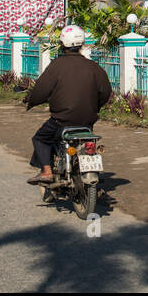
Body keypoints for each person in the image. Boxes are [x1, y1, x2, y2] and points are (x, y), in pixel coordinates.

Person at [21, 25, 113, 185]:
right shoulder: (94, 68)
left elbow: (42, 89)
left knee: (40, 138)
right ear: (82, 44)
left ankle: (47, 171)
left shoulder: (57, 66)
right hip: (87, 122)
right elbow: (105, 92)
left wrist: (31, 100)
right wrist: (95, 107)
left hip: (61, 120)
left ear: (62, 44)